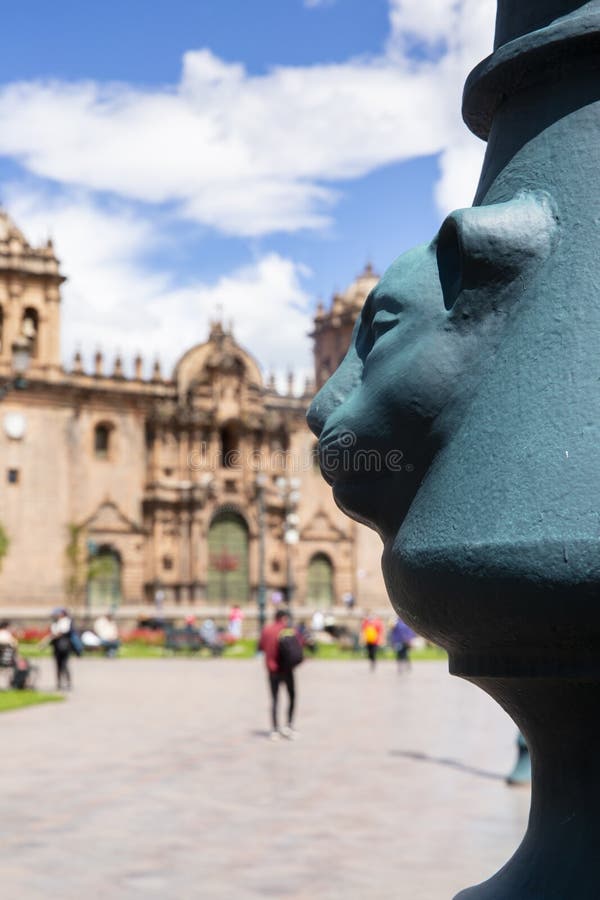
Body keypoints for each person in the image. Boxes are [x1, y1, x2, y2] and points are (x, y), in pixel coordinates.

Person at [258, 608, 299, 740]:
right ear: (284, 618)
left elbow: (261, 647)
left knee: (275, 699)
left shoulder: (266, 630)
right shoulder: (288, 630)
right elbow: (298, 645)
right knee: (291, 697)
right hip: (287, 669)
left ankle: (274, 729)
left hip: (272, 670)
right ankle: (288, 726)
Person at [45, 608, 74, 690]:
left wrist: (52, 636)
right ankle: (59, 683)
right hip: (56, 646)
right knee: (57, 665)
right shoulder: (55, 623)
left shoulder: (66, 621)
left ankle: (68, 682)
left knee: (64, 664)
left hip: (64, 645)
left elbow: (61, 632)